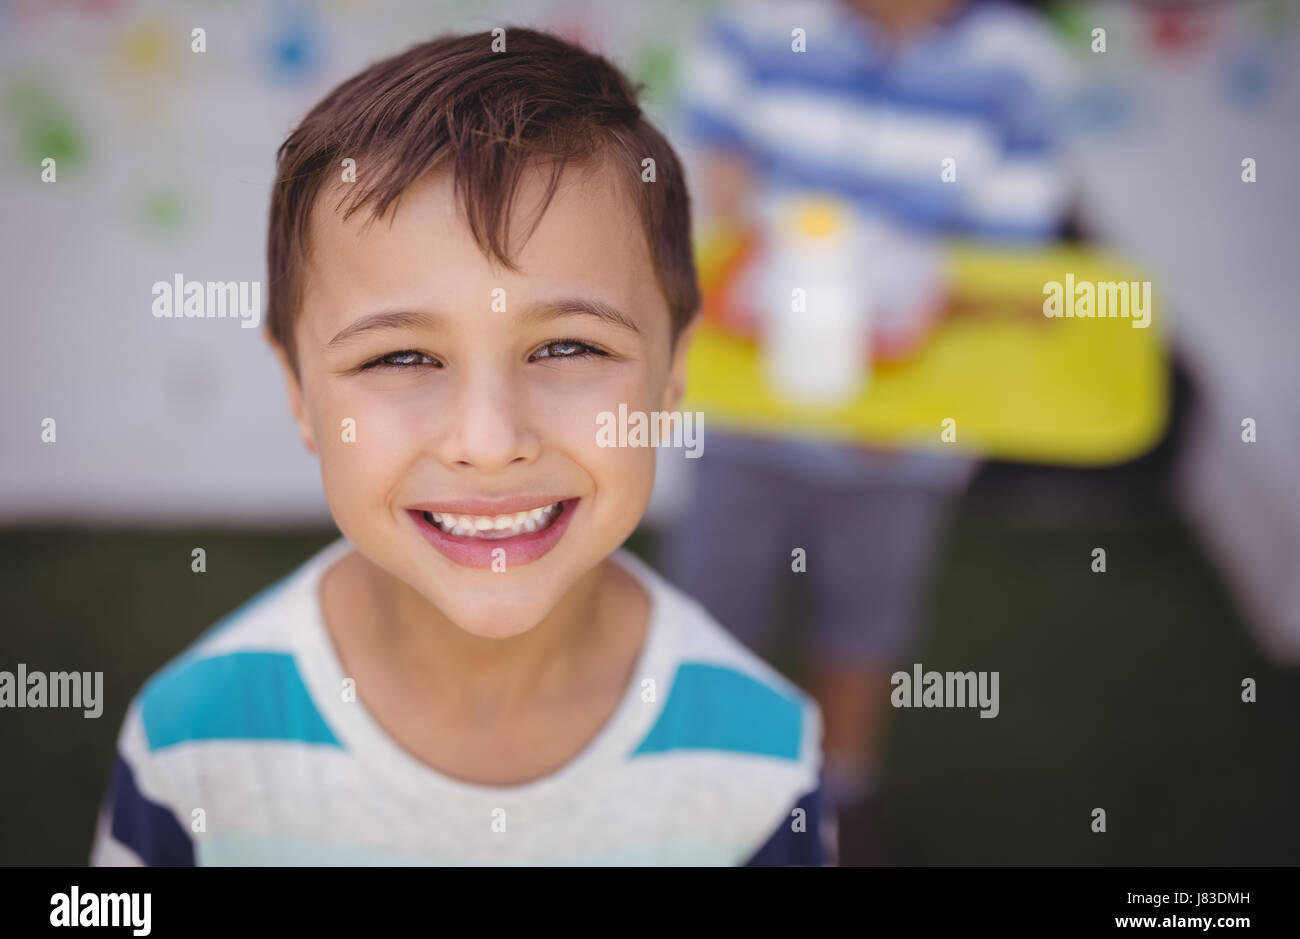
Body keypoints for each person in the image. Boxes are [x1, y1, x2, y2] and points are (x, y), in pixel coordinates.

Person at [89, 27, 832, 866]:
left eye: (567, 348)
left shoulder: (763, 761)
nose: (488, 442)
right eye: (401, 357)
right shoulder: (193, 746)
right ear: (299, 389)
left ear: (671, 376)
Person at [672, 0, 1075, 863]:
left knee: (864, 616)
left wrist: (907, 400)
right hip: (748, 407)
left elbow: (1008, 263)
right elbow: (719, 198)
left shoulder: (1019, 63)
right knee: (715, 608)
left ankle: (842, 799)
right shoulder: (757, 22)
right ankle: (712, 796)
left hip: (904, 432)